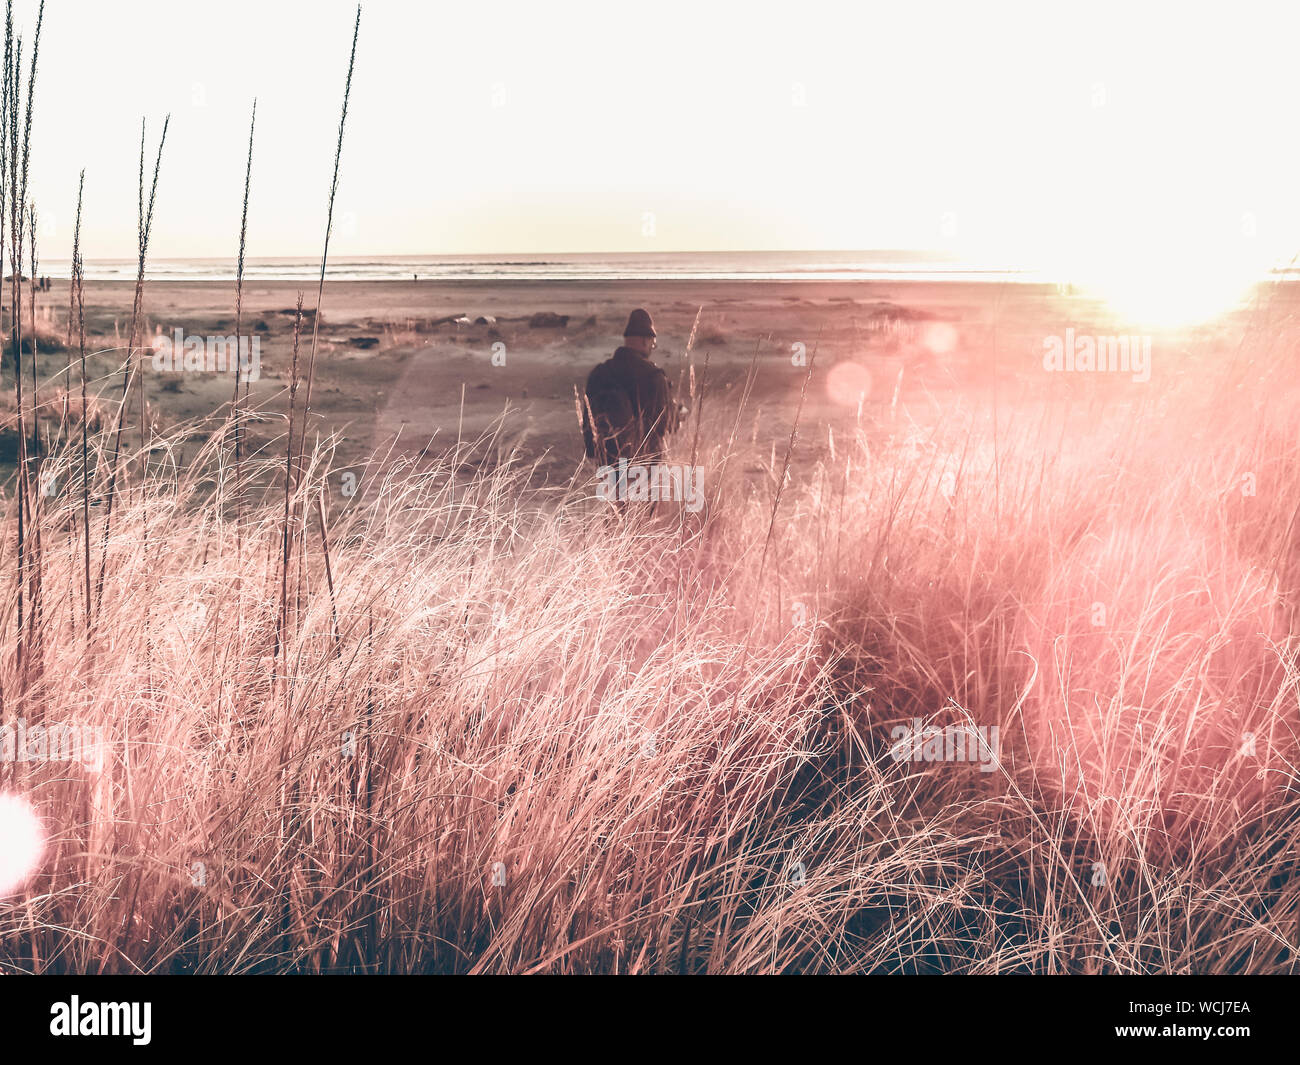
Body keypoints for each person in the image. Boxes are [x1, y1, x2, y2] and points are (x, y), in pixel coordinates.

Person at [581, 308, 680, 465]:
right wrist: (677, 414)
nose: (651, 349)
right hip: (644, 466)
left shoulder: (599, 373)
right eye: (652, 345)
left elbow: (588, 423)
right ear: (645, 341)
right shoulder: (653, 376)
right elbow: (666, 425)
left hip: (607, 463)